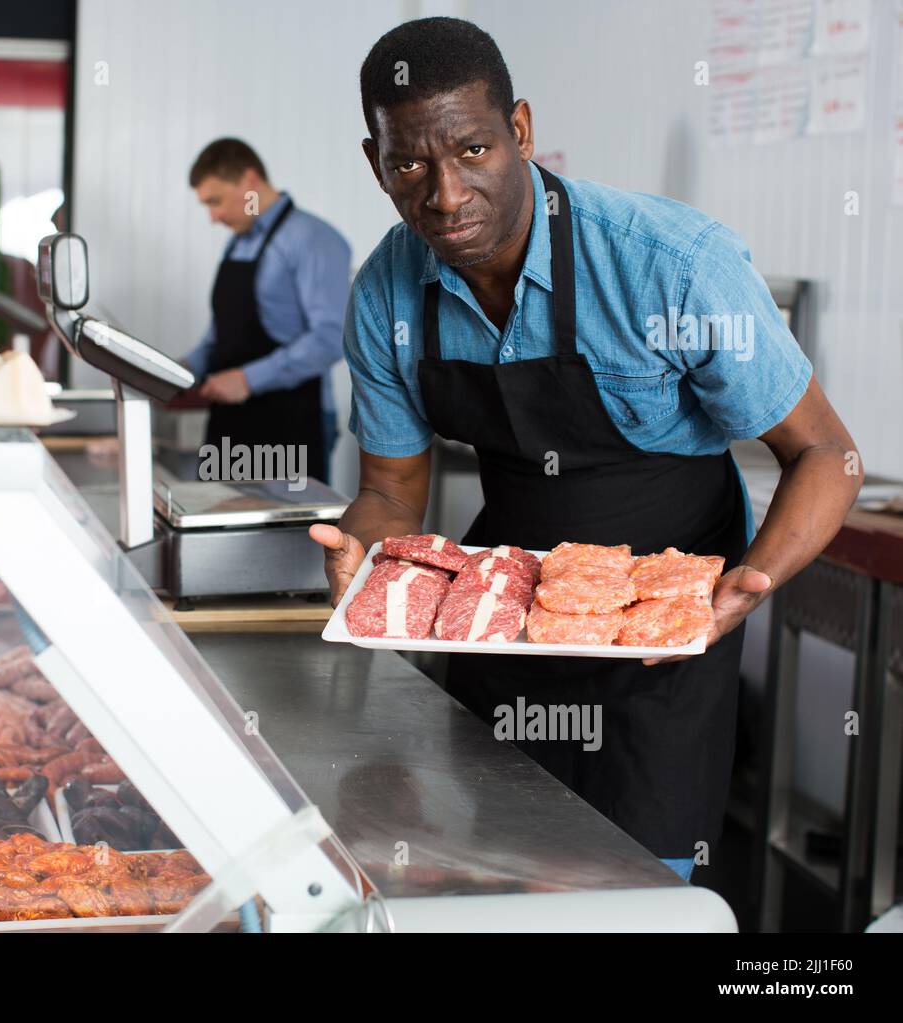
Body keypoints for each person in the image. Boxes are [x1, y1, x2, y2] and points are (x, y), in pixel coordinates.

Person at [310, 18, 861, 882]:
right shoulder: (386, 293)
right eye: (409, 164)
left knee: (641, 886)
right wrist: (366, 558)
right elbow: (389, 490)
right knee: (500, 869)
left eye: (475, 149)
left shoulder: (673, 267)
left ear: (521, 130)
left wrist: (749, 582)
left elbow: (828, 454)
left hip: (664, 633)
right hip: (506, 619)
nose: (446, 196)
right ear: (376, 163)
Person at [183, 138, 351, 484]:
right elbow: (220, 335)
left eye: (215, 201)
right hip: (229, 423)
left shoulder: (312, 239)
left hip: (291, 423)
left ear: (249, 182)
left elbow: (331, 337)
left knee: (284, 538)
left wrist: (247, 379)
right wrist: (178, 371)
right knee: (220, 530)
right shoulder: (239, 242)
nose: (212, 217)